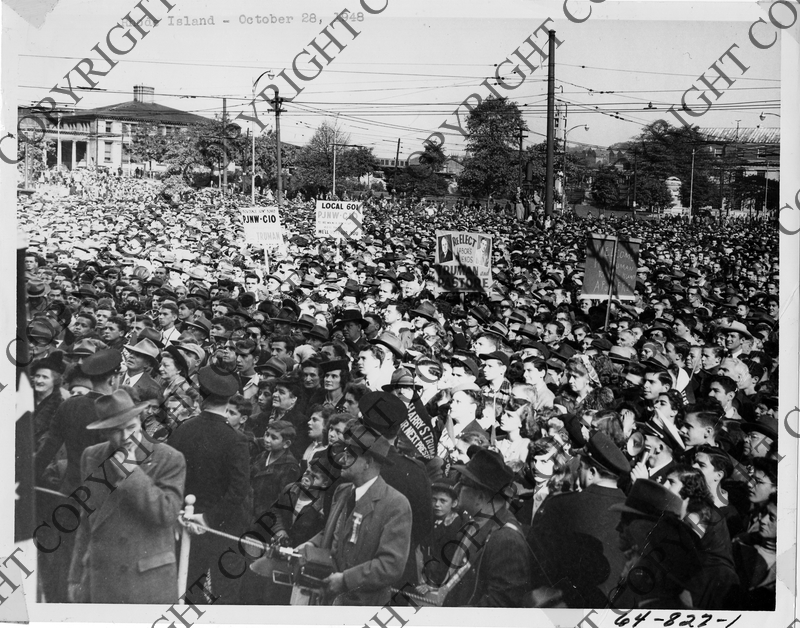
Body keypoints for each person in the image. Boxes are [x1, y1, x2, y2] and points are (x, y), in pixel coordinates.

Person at [68, 390, 186, 603]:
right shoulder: (92, 456)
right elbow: (86, 521)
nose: (125, 438)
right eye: (116, 431)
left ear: (140, 422)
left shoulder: (168, 458)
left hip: (145, 582)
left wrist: (132, 474)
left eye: (131, 428)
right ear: (104, 432)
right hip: (102, 579)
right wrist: (75, 576)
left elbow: (167, 513)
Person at [304, 423, 413, 606]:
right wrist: (309, 545)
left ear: (368, 463)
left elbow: (390, 565)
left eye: (350, 455)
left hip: (363, 606)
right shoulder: (343, 491)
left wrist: (346, 579)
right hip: (327, 600)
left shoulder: (396, 504)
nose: (342, 459)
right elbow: (332, 532)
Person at [169, 366, 251, 604]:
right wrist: (208, 519)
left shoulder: (183, 430)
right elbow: (239, 491)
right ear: (228, 401)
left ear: (201, 394)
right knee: (223, 598)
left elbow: (170, 476)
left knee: (186, 592)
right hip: (220, 529)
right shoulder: (236, 440)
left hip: (185, 522)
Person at [530, 432, 631, 607]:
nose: (577, 471)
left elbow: (536, 561)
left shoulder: (560, 504)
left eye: (581, 467)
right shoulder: (633, 513)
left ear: (591, 472)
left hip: (567, 608)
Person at [444, 448, 532, 607]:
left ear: (480, 497)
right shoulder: (476, 524)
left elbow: (501, 605)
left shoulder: (506, 540)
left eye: (462, 483)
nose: (455, 488)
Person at [250, 420, 301, 520]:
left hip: (264, 517)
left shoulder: (290, 467)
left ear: (286, 444)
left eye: (274, 438)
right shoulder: (262, 456)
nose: (267, 440)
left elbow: (283, 502)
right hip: (248, 509)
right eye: (267, 434)